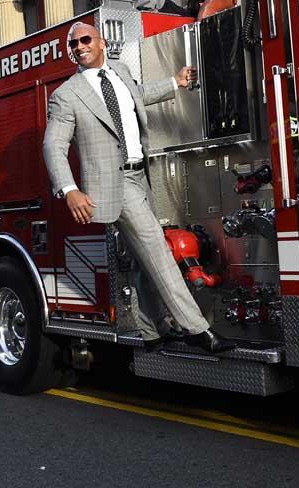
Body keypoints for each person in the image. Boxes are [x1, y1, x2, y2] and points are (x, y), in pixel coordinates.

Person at [42, 21, 235, 353]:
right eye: (72, 44)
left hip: (140, 175)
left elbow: (137, 95)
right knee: (158, 250)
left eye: (85, 39)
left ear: (101, 42)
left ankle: (152, 330)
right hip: (113, 184)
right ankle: (196, 328)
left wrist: (174, 83)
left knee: (146, 258)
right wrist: (69, 188)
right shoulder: (66, 95)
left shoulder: (119, 70)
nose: (79, 47)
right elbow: (53, 146)